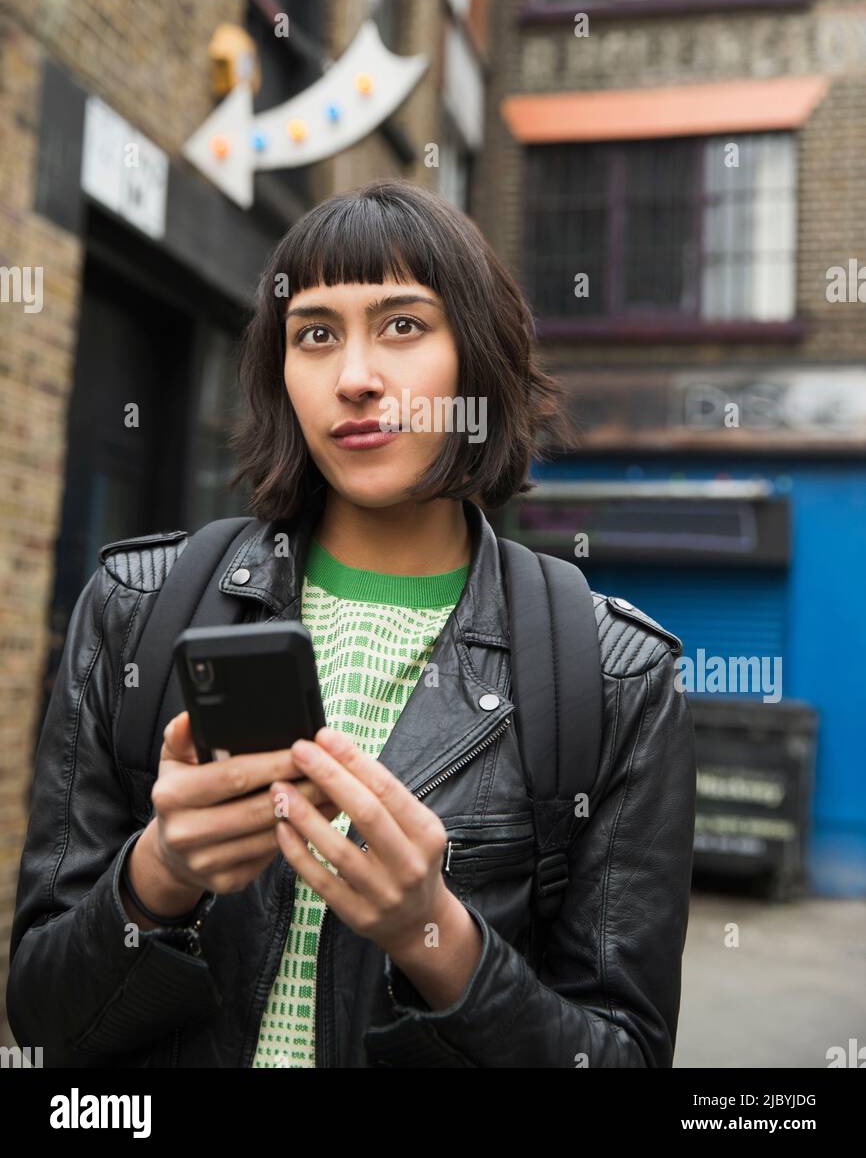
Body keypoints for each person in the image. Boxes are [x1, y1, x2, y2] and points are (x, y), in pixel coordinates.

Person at [7, 179, 696, 1068]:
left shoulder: (612, 676)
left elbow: (623, 1053)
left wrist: (433, 936)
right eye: (315, 334)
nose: (355, 378)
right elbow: (40, 1016)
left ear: (477, 359)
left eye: (403, 326)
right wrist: (158, 877)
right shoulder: (136, 608)